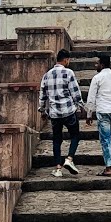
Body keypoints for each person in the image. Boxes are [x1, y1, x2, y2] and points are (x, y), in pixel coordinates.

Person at [38, 48, 84, 177]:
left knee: (57, 140)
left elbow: (43, 95)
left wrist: (42, 110)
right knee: (75, 135)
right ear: (66, 60)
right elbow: (75, 92)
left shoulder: (47, 75)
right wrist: (81, 105)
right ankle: (69, 159)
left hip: (54, 113)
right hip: (68, 110)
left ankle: (58, 168)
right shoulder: (68, 73)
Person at [84, 52, 111, 177]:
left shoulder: (97, 78)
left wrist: (89, 114)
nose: (95, 65)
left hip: (103, 110)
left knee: (105, 139)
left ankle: (108, 167)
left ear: (102, 65)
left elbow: (91, 97)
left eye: (97, 63)